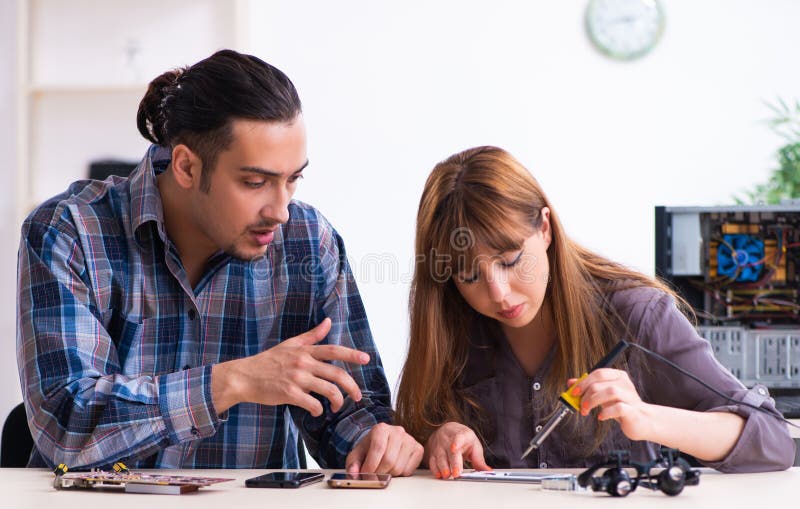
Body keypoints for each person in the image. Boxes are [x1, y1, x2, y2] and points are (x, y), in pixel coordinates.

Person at [17, 49, 422, 474]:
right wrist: (232, 382)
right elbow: (65, 425)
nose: (280, 210)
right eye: (255, 182)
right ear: (187, 166)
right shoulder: (70, 232)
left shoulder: (307, 241)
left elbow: (349, 411)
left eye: (293, 179)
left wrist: (375, 440)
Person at [395, 146, 795, 478]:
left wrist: (648, 418)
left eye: (512, 260)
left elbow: (773, 441)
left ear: (545, 229)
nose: (498, 293)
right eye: (469, 277)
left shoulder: (636, 314)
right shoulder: (449, 324)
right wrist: (435, 440)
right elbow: (410, 443)